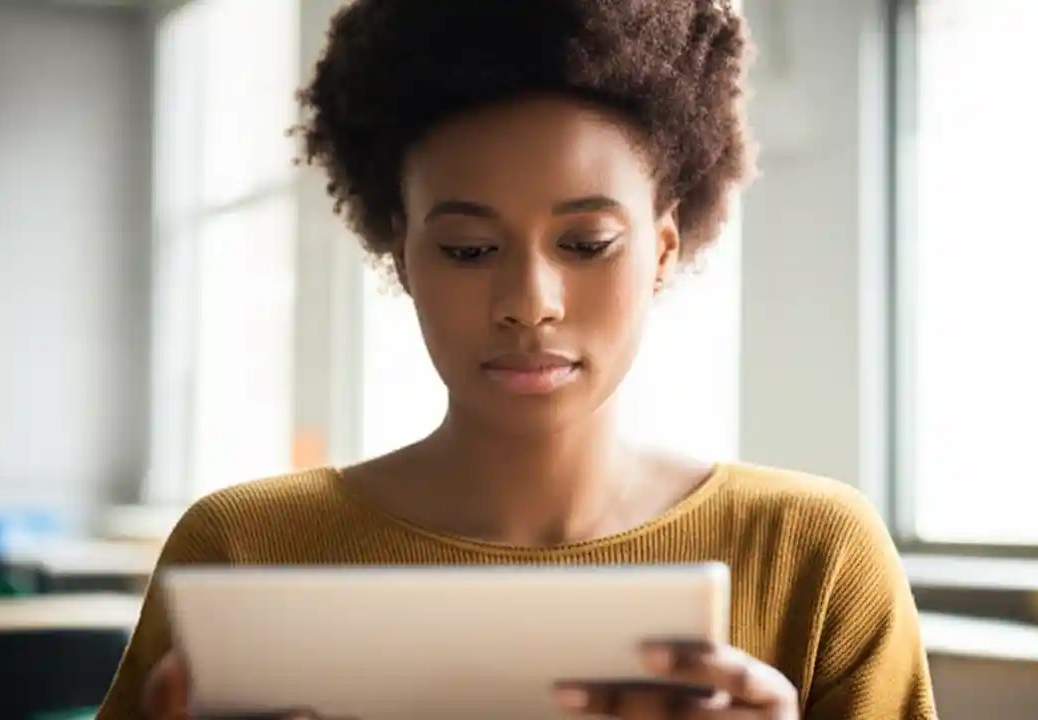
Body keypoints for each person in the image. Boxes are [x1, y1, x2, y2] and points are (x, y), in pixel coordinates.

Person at [98, 0, 936, 718]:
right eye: (467, 248)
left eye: (586, 242)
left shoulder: (817, 559)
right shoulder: (245, 550)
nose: (529, 300)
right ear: (399, 255)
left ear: (663, 250)